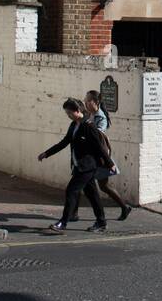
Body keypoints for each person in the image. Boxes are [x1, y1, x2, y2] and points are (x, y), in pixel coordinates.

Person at [38, 98, 112, 234]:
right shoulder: (74, 125)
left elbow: (99, 147)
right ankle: (101, 222)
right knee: (92, 194)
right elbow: (64, 142)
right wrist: (47, 153)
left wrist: (110, 164)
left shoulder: (89, 126)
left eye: (70, 113)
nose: (69, 116)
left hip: (87, 166)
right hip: (79, 166)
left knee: (71, 191)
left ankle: (63, 222)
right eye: (67, 114)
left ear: (78, 111)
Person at [84, 90, 131, 221]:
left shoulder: (100, 117)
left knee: (102, 186)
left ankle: (123, 208)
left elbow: (98, 135)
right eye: (85, 101)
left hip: (100, 157)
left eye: (88, 101)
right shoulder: (90, 115)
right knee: (99, 186)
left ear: (96, 102)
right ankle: (123, 207)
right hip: (93, 156)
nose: (86, 103)